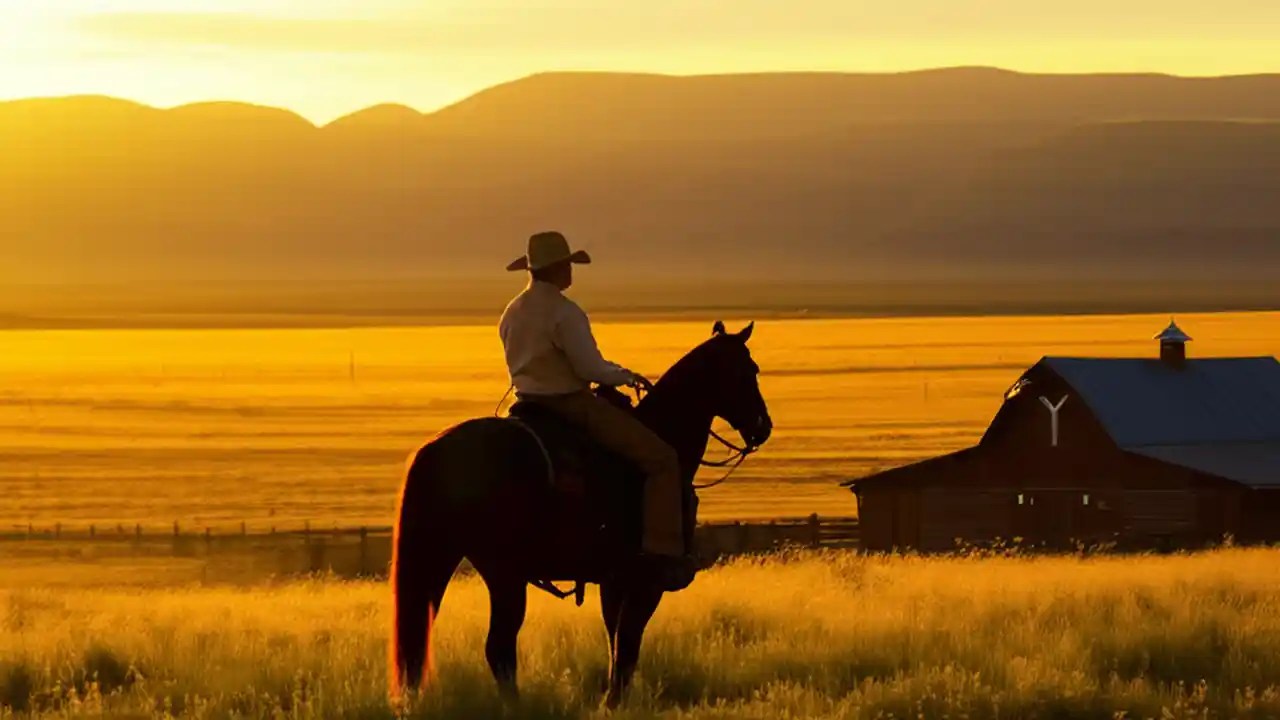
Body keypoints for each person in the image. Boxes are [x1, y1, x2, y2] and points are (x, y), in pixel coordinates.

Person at [499, 231, 695, 591]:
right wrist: (625, 376)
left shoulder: (512, 311)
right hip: (568, 404)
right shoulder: (565, 312)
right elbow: (589, 369)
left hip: (525, 404)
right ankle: (661, 553)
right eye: (568, 265)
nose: (571, 272)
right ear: (559, 269)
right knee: (662, 459)